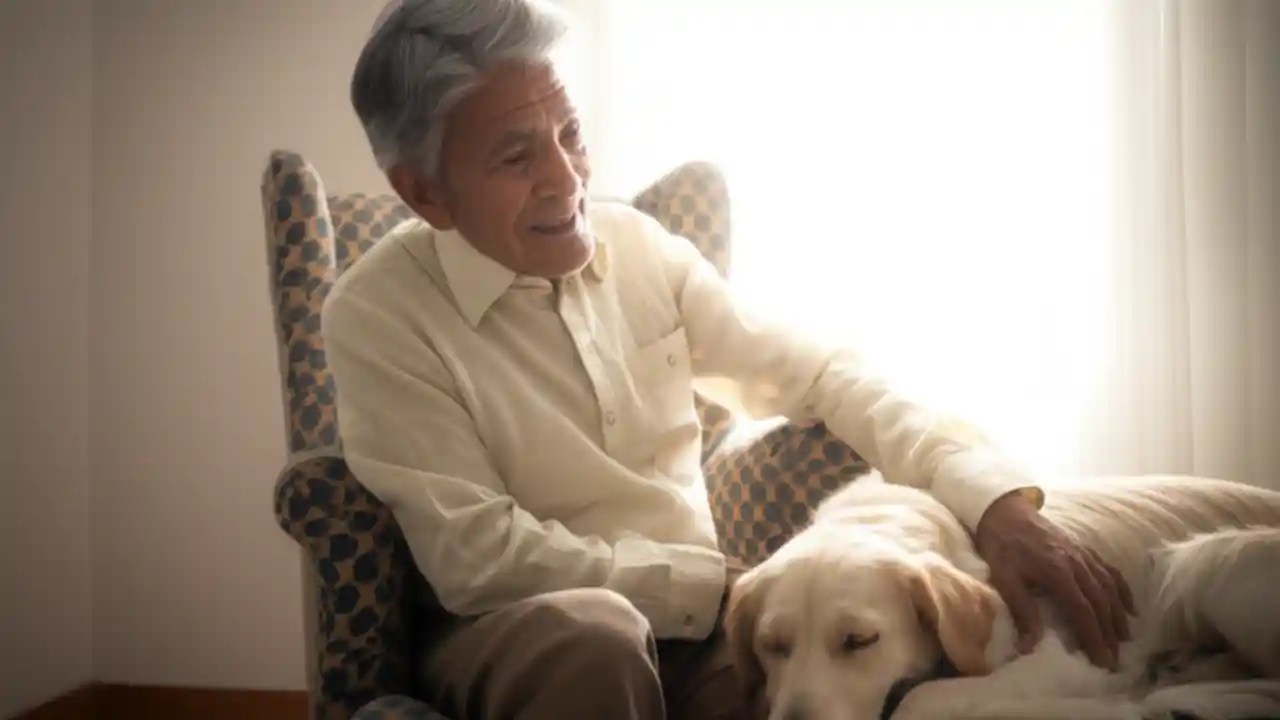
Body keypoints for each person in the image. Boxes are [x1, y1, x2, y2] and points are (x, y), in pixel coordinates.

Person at [326, 1, 1135, 718]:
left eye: (570, 134)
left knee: (845, 681)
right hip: (511, 632)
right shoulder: (376, 314)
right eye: (516, 157)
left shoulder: (639, 247)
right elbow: (478, 558)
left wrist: (992, 503)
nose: (566, 180)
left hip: (701, 622)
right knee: (599, 638)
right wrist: (709, 587)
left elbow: (824, 376)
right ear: (424, 192)